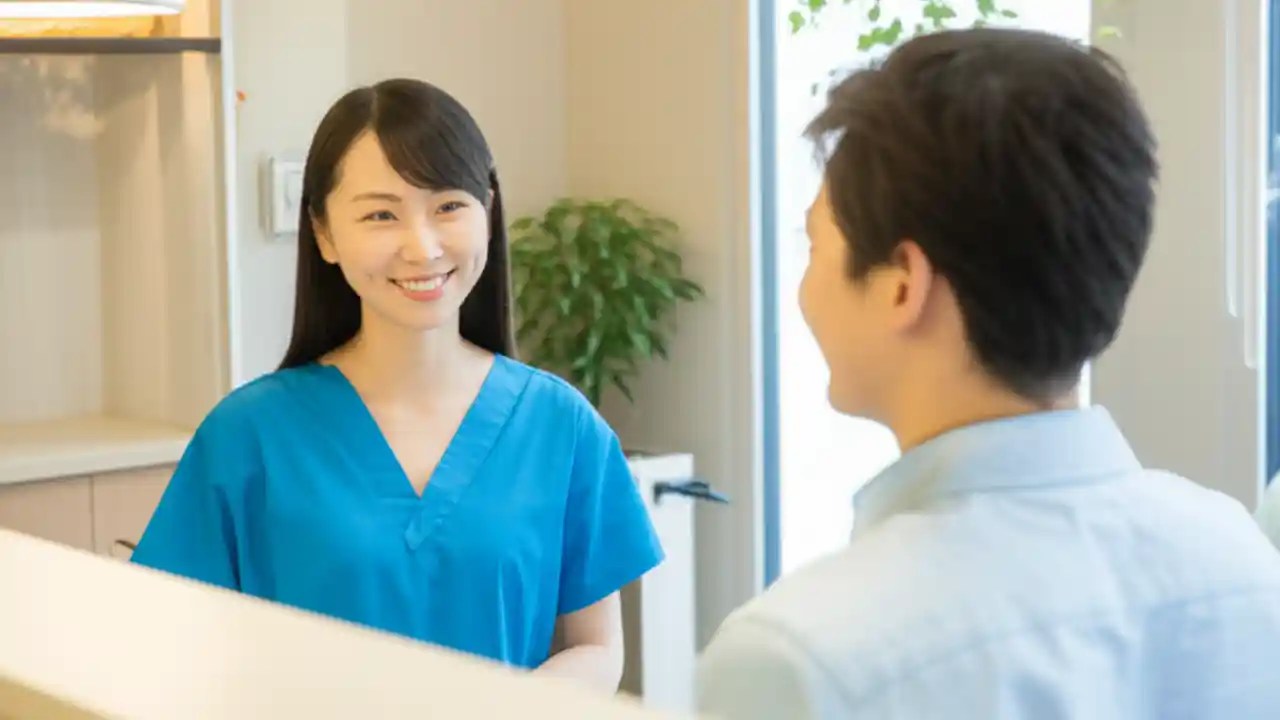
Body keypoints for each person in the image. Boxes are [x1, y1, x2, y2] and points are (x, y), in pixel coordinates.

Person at [698, 28, 1280, 718]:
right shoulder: (1239, 560)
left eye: (814, 245)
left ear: (902, 285)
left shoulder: (799, 658)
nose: (802, 288)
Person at [131, 78, 663, 692]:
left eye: (448, 206)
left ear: (487, 212)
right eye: (381, 214)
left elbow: (597, 648)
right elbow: (172, 648)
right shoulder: (247, 435)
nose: (423, 245)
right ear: (325, 233)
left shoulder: (560, 426)